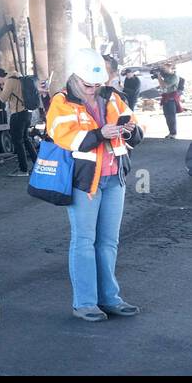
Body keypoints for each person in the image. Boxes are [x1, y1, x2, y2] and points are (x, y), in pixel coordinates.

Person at [45, 48, 143, 322]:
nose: (93, 90)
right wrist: (100, 133)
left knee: (109, 242)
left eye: (98, 85)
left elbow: (137, 131)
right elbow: (64, 137)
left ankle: (110, 299)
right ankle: (85, 303)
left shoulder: (112, 97)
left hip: (114, 178)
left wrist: (129, 130)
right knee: (85, 241)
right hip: (86, 181)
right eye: (88, 85)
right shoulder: (61, 102)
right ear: (76, 77)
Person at [0, 67, 33, 175]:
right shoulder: (18, 77)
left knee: (17, 142)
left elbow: (3, 98)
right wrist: (2, 86)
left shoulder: (9, 81)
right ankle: (37, 165)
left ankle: (23, 169)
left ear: (0, 77)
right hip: (27, 113)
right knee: (26, 140)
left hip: (18, 114)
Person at [154, 66, 181, 137]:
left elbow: (164, 85)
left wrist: (159, 76)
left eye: (165, 68)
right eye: (163, 68)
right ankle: (171, 132)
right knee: (167, 117)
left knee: (171, 117)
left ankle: (173, 133)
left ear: (171, 68)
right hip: (166, 98)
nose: (164, 69)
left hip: (171, 99)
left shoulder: (174, 77)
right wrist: (158, 75)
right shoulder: (166, 75)